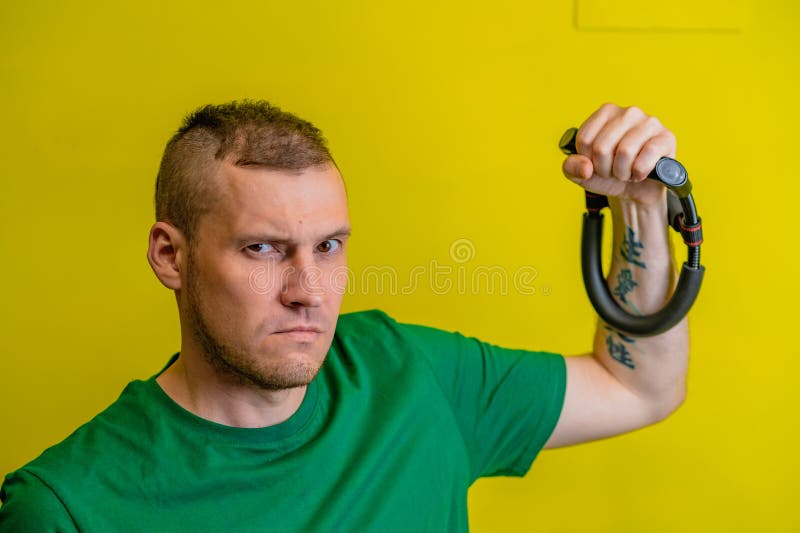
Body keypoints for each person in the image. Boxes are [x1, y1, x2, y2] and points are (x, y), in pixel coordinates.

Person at [0, 100, 689, 531]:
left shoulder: (409, 375)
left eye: (328, 246)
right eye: (263, 248)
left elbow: (638, 386)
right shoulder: (65, 507)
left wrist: (640, 208)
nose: (309, 289)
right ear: (170, 256)